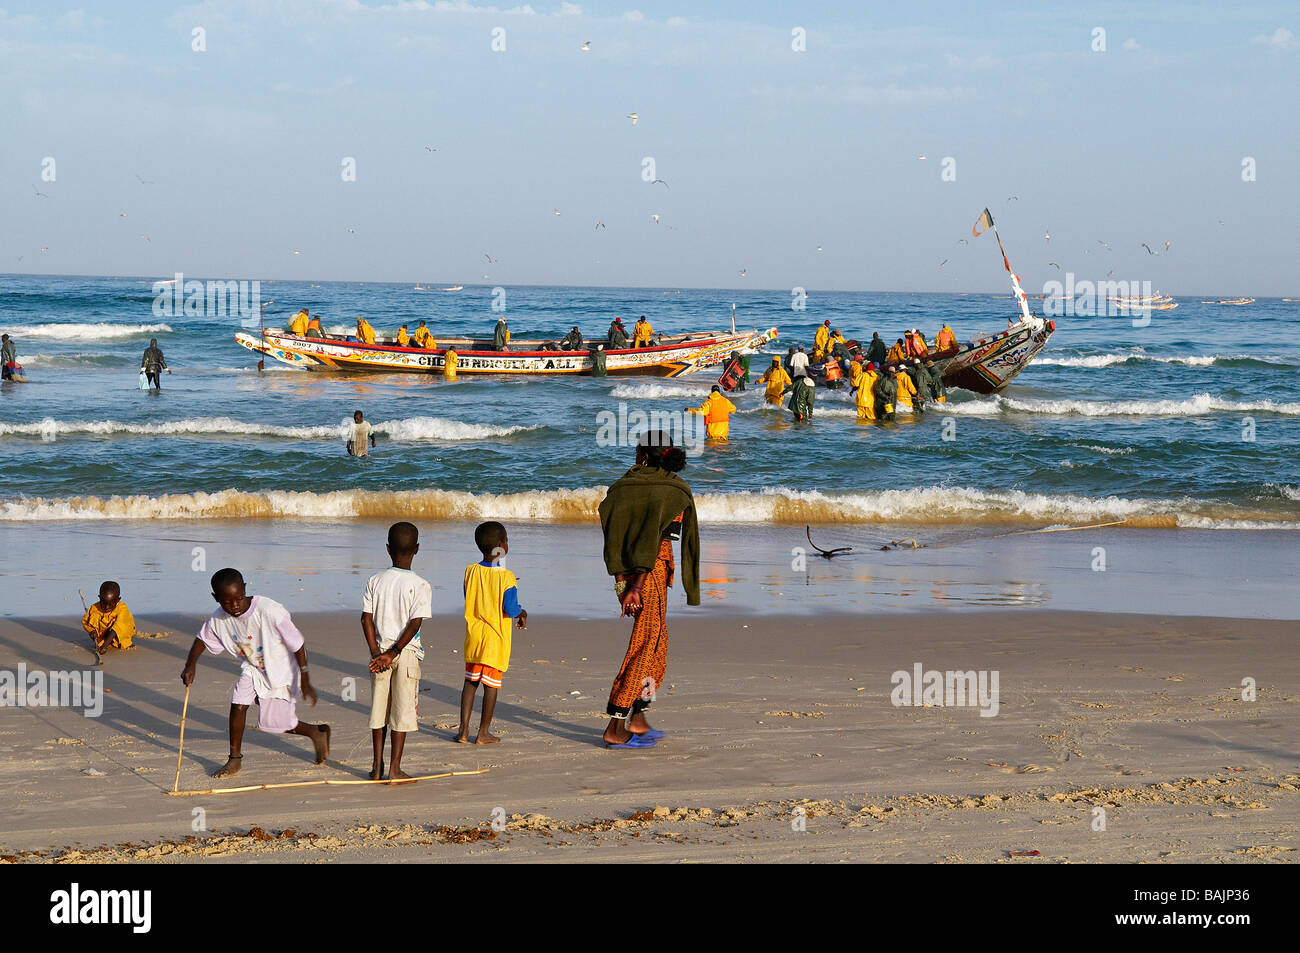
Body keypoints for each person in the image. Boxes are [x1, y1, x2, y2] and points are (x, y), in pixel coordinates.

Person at [597, 432, 699, 748]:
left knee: (659, 644)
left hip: (628, 577)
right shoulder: (672, 491)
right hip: (647, 578)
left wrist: (621, 584)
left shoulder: (622, 487)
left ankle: (638, 715)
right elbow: (653, 545)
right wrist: (636, 587)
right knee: (645, 644)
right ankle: (616, 723)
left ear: (641, 453)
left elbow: (613, 536)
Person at [180, 568, 329, 779]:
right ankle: (234, 759)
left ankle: (316, 732)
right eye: (227, 602)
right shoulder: (219, 619)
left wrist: (304, 677)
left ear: (245, 590)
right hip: (253, 668)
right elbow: (203, 639)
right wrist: (190, 665)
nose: (234, 606)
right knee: (238, 705)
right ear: (216, 598)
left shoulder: (269, 611)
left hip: (281, 669)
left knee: (276, 723)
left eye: (239, 599)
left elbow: (298, 643)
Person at [362, 522, 432, 781]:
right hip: (405, 653)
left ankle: (377, 766)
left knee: (379, 710)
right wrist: (394, 652)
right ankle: (394, 768)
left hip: (378, 651)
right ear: (417, 549)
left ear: (388, 549)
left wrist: (376, 652)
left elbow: (365, 619)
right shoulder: (421, 585)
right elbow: (415, 623)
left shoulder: (375, 581)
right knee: (401, 712)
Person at [458, 521, 527, 745]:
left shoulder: (470, 570)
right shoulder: (506, 577)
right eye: (506, 540)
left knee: (470, 683)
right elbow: (510, 608)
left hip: (474, 636)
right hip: (494, 639)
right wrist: (522, 612)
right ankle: (483, 732)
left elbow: (469, 596)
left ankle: (463, 731)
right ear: (500, 546)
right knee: (490, 686)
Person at [81, 581, 136, 653]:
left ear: (118, 600)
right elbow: (86, 622)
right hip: (104, 633)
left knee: (123, 638)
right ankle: (104, 640)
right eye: (103, 603)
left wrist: (105, 645)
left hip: (119, 632)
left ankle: (119, 641)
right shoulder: (94, 608)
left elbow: (118, 627)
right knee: (94, 616)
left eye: (111, 604)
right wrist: (92, 631)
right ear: (99, 598)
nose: (107, 607)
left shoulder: (122, 608)